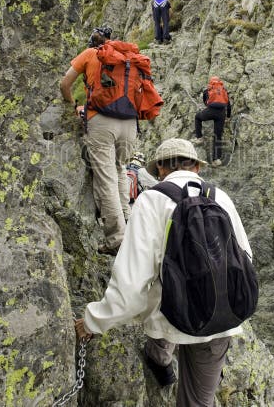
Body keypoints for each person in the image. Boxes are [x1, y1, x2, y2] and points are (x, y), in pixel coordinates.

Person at [74, 138, 253, 406]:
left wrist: (93, 322)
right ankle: (162, 359)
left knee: (160, 302)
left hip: (172, 315)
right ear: (196, 168)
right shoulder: (221, 197)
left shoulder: (151, 201)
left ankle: (160, 360)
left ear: (159, 169)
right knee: (198, 401)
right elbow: (246, 258)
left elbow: (132, 286)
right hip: (221, 316)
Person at [59, 26, 136, 256]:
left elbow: (65, 84)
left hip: (102, 121)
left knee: (106, 178)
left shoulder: (90, 54)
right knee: (120, 170)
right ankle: (130, 227)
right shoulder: (126, 57)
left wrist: (73, 105)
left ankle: (117, 240)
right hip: (130, 122)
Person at [191, 76, 231, 167]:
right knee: (218, 136)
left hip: (211, 111)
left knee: (197, 117)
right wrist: (228, 117)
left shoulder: (208, 89)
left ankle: (199, 138)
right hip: (221, 114)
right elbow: (228, 105)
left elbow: (205, 101)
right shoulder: (223, 90)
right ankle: (216, 160)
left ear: (211, 83)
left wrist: (208, 107)